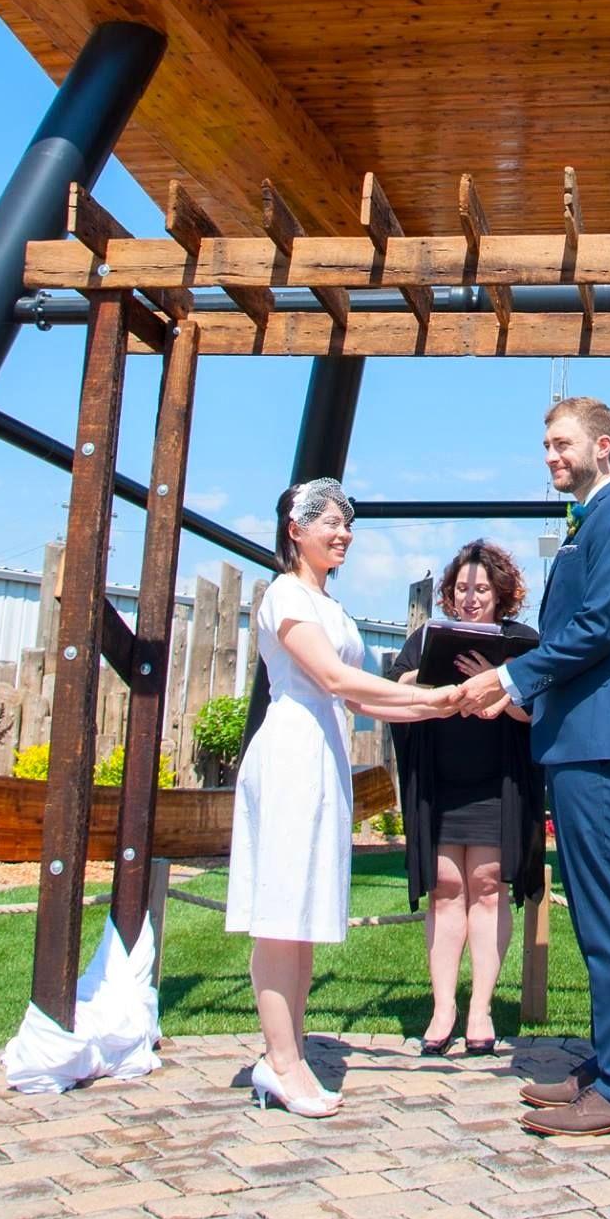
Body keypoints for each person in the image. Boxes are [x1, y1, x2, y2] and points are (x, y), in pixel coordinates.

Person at [458, 396, 610, 1137]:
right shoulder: (588, 523)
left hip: (600, 744)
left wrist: (513, 678)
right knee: (594, 910)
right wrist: (528, 702)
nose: (551, 455)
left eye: (562, 442)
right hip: (573, 738)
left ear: (602, 445)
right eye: (546, 444)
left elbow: (600, 625)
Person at [226, 476, 460, 1117]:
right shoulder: (284, 595)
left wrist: (437, 706)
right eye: (330, 522)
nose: (344, 534)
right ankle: (282, 1062)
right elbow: (332, 678)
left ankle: (288, 1050)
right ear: (295, 530)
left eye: (347, 523)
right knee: (282, 913)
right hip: (290, 755)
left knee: (301, 914)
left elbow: (359, 699)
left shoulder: (331, 606)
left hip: (322, 758)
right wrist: (436, 697)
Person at [388, 540, 545, 1055]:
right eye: (461, 589)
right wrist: (432, 681)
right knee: (447, 888)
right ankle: (443, 1009)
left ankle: (480, 1009)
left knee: (487, 886)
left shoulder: (523, 642)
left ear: (500, 593)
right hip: (439, 785)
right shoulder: (427, 637)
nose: (470, 598)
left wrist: (495, 686)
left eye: (480, 589)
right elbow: (398, 689)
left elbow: (539, 713)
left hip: (498, 786)